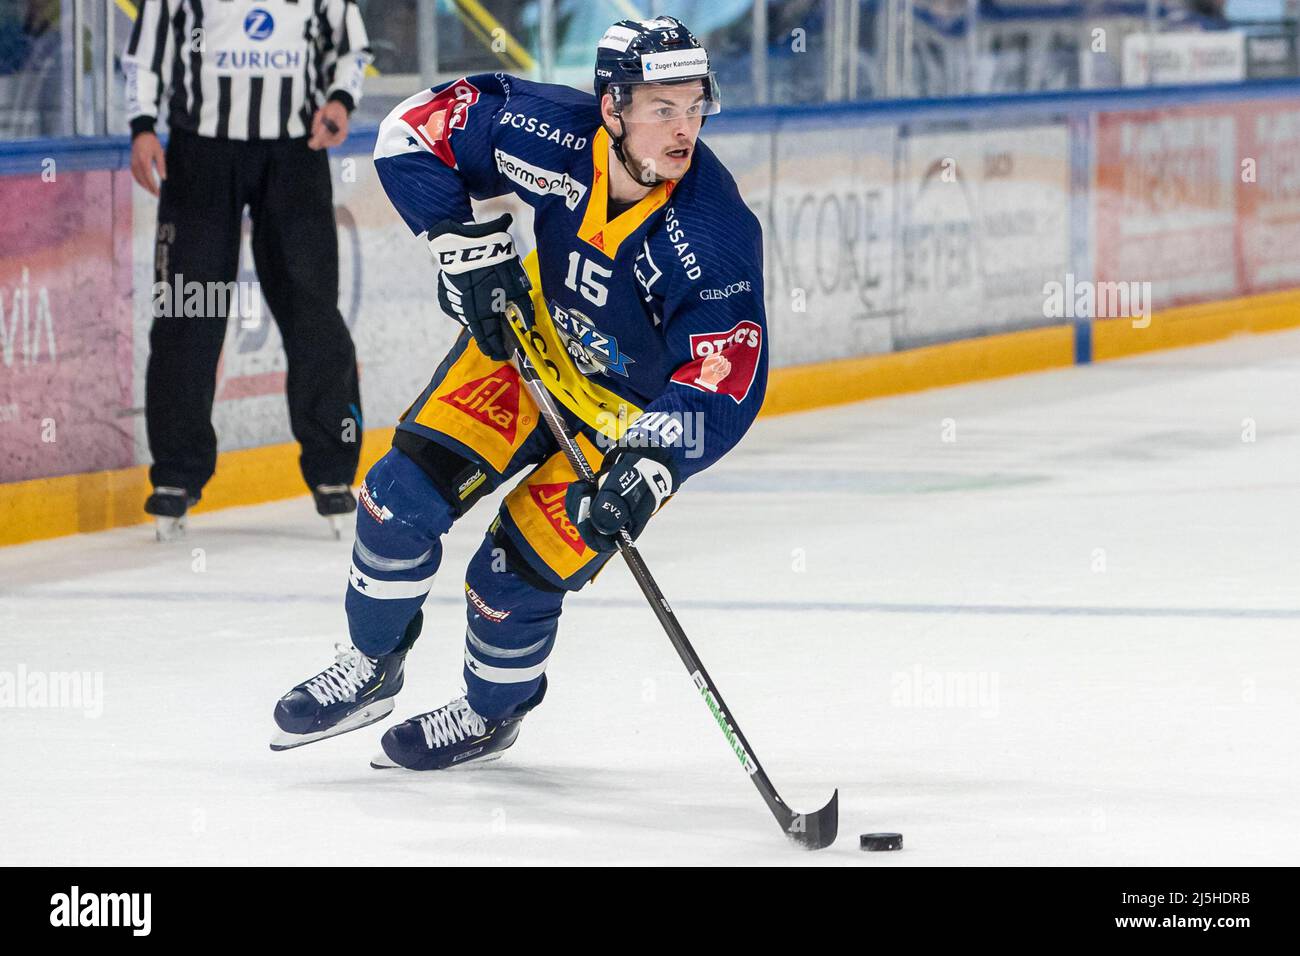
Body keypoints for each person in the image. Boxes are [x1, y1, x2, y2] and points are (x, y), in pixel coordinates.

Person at [270, 16, 768, 770]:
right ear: (612, 107)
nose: (683, 129)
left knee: (505, 584)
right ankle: (371, 666)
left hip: (626, 422)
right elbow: (412, 131)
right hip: (524, 348)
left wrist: (654, 465)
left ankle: (486, 716)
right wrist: (462, 246)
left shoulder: (713, 230)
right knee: (395, 503)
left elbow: (726, 373)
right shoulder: (553, 133)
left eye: (695, 106)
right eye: (662, 108)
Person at [122, 0, 371, 538]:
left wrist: (340, 100)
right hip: (201, 155)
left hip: (295, 155)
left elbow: (352, 48)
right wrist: (142, 126)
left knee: (312, 311)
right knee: (188, 309)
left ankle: (332, 470)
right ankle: (177, 475)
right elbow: (145, 57)